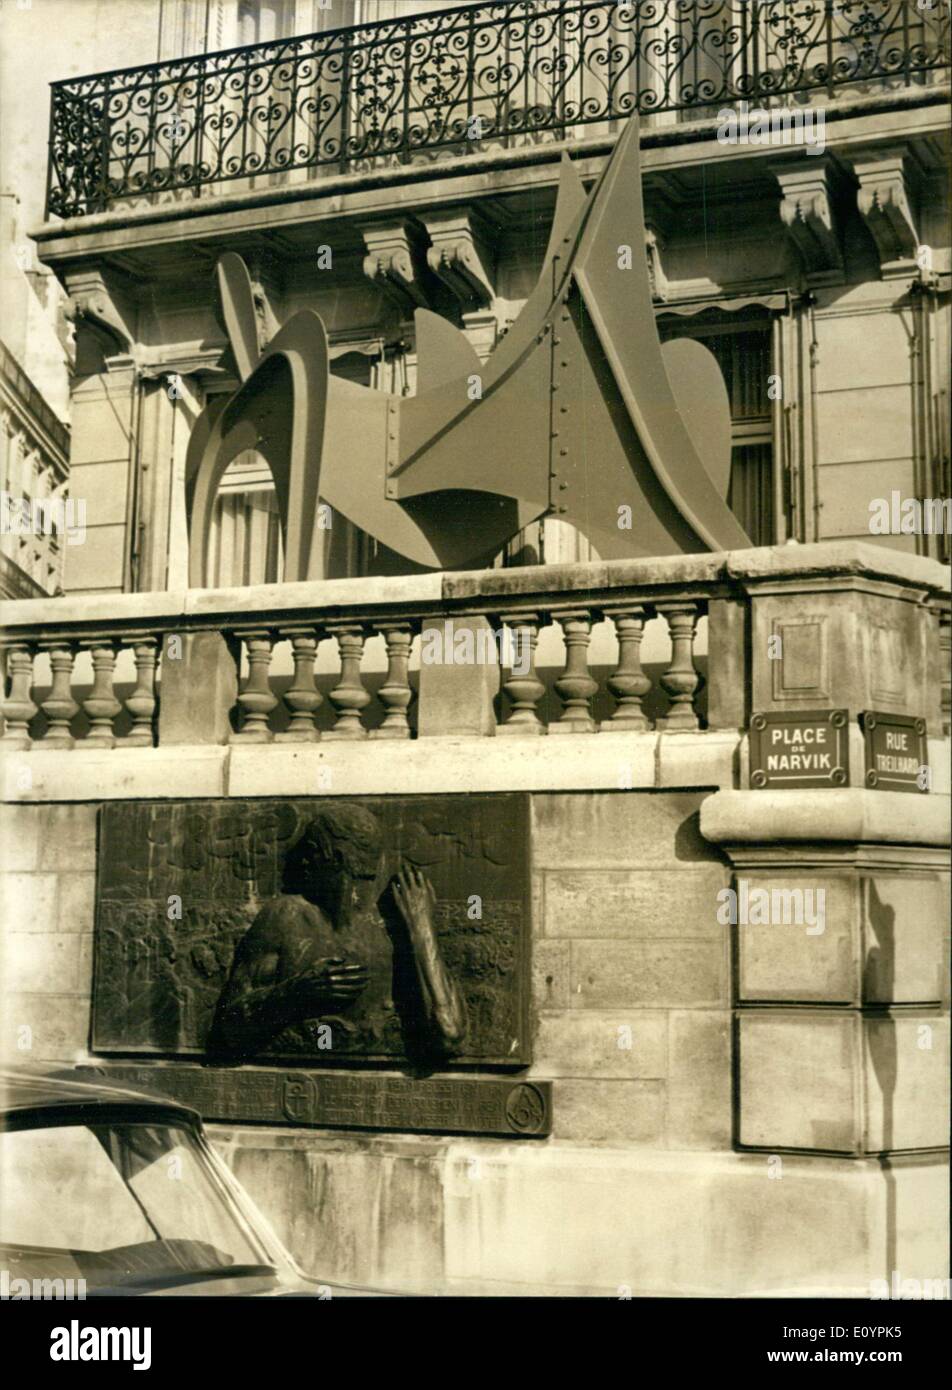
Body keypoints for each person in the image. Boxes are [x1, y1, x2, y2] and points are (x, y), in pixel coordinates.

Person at [207, 804, 466, 1063]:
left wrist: (422, 929)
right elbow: (229, 1029)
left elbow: (449, 1035)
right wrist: (297, 991)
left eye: (313, 851)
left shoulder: (400, 924)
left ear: (338, 859)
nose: (304, 861)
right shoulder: (284, 916)